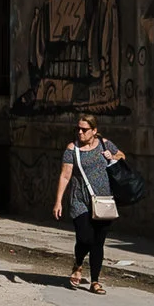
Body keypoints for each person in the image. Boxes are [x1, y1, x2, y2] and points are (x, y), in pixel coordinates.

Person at [51, 113, 126, 294]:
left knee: (98, 242)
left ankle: (95, 281)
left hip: (104, 200)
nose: (80, 132)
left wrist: (112, 156)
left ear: (94, 131)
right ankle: (78, 264)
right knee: (85, 237)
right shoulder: (72, 149)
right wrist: (58, 201)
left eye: (84, 130)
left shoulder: (104, 144)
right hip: (80, 200)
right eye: (78, 129)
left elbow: (122, 156)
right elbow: (65, 175)